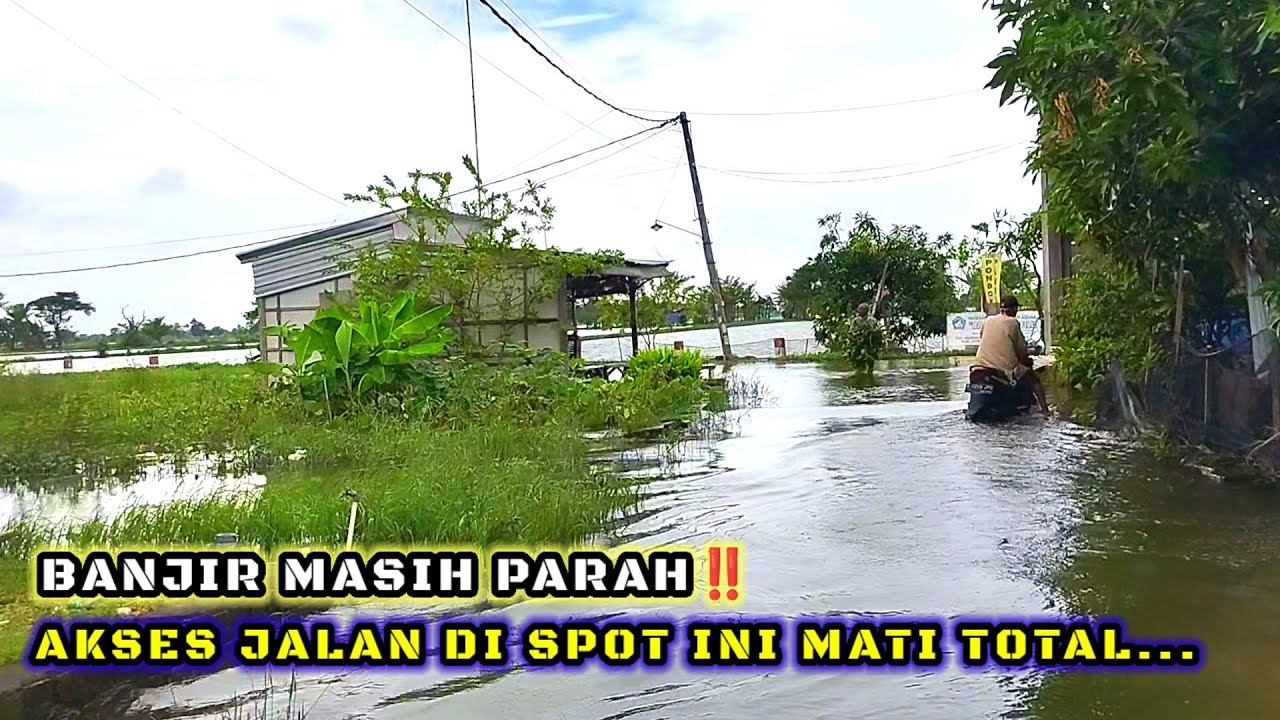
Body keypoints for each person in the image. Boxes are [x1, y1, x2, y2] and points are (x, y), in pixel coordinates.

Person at [973, 294, 1049, 413]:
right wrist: (1028, 361)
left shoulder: (988, 320)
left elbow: (982, 337)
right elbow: (1021, 352)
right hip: (1003, 370)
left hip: (978, 368)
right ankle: (1046, 411)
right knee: (1035, 380)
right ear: (1014, 309)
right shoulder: (1013, 323)